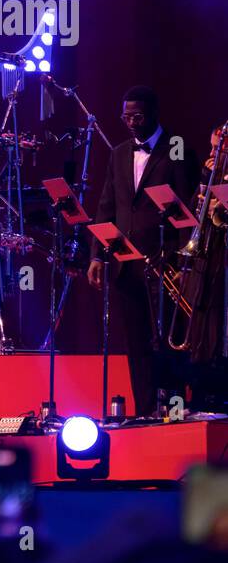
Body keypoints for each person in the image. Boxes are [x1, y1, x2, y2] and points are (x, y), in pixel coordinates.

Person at [87, 86, 198, 417]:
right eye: (126, 116)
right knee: (136, 345)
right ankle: (147, 411)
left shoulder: (176, 149)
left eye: (137, 116)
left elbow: (188, 207)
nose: (131, 123)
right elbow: (107, 204)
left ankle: (175, 414)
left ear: (153, 114)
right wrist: (96, 255)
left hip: (165, 265)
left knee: (168, 344)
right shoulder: (119, 153)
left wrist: (182, 261)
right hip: (126, 264)